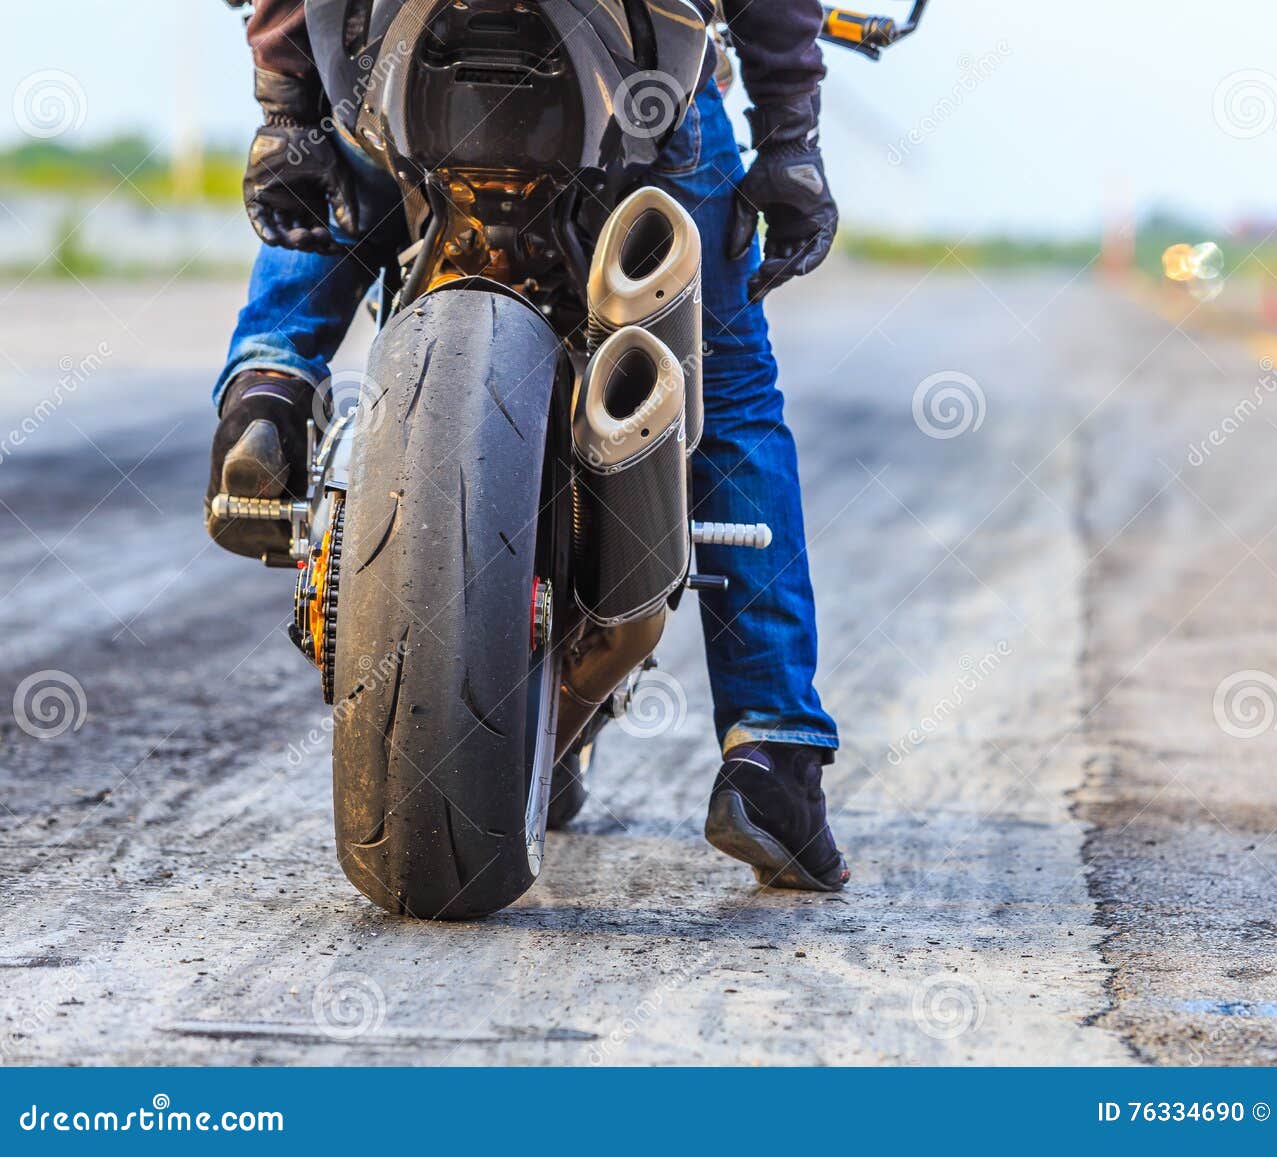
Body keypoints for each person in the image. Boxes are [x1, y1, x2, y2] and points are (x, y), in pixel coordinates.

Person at [209, 0, 849, 891]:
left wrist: (283, 114)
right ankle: (773, 749)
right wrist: (790, 138)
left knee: (329, 171)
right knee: (729, 384)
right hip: (635, 83)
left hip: (409, 49)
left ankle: (270, 385)